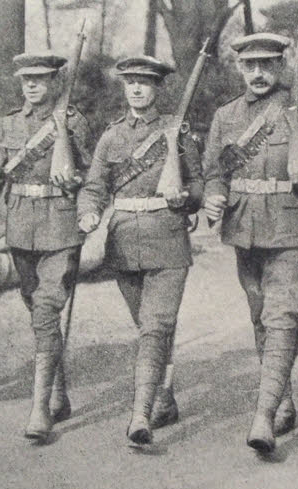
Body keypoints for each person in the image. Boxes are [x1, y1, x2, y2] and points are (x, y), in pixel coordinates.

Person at [202, 33, 298, 453]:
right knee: (261, 316)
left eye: (267, 64)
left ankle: (262, 416)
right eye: (250, 65)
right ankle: (281, 398)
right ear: (240, 68)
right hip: (245, 230)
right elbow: (214, 172)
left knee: (282, 315)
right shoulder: (226, 116)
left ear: (281, 65)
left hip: (289, 229)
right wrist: (213, 195)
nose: (258, 73)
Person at [77, 55, 203, 445]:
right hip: (124, 244)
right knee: (148, 325)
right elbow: (94, 185)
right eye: (130, 81)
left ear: (157, 88)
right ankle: (163, 396)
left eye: (144, 83)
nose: (136, 89)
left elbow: (199, 184)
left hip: (167, 239)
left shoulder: (176, 131)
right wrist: (88, 212)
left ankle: (140, 416)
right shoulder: (111, 136)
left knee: (154, 327)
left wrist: (185, 199)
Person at [0, 52, 93, 442]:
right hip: (20, 229)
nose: (32, 86)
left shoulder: (73, 122)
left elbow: (90, 174)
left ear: (55, 81)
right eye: (26, 80)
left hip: (60, 227)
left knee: (45, 309)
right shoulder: (8, 124)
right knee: (36, 309)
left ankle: (40, 410)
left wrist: (71, 176)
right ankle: (56, 390)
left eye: (40, 78)